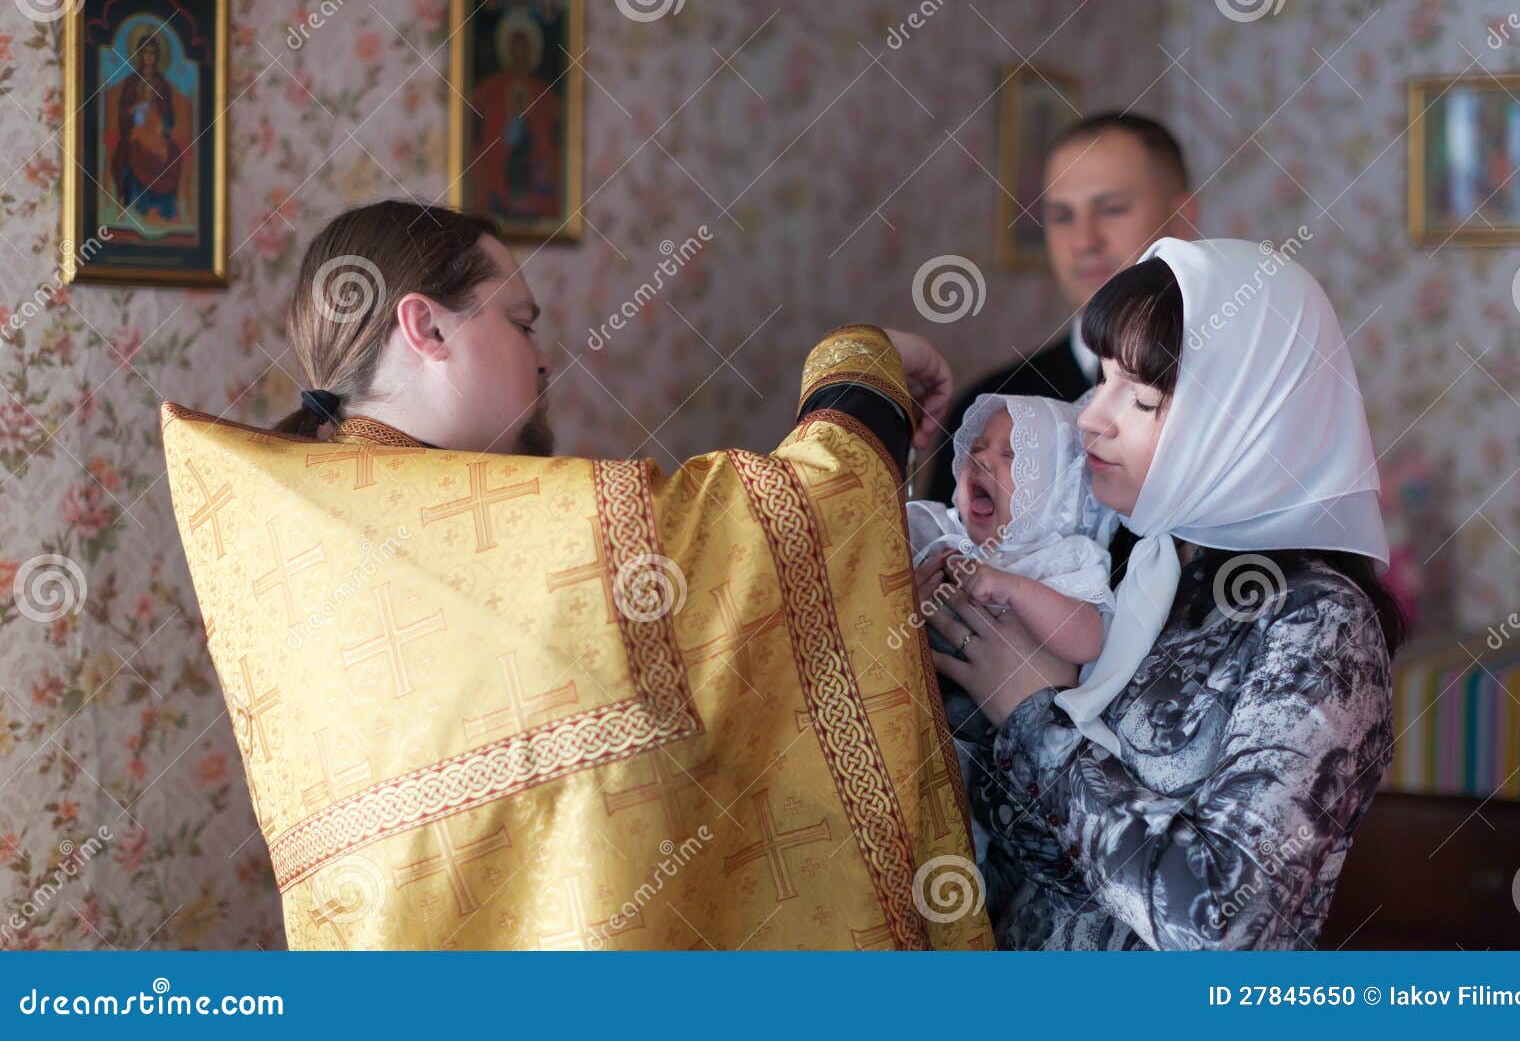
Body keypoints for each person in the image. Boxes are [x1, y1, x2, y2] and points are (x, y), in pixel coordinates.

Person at [160, 200, 994, 950]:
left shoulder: (313, 527)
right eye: (520, 323)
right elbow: (763, 536)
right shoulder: (463, 536)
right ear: (427, 328)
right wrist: (861, 367)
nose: (544, 356)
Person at [926, 238, 1403, 950]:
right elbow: (1060, 873)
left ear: (1243, 424)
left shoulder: (1316, 624)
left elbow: (1220, 921)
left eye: (1141, 397)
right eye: (1105, 380)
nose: (1091, 415)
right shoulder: (1132, 570)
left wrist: (1032, 714)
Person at [923, 112, 1199, 505]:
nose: (1084, 241)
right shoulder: (993, 405)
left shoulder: (1229, 389)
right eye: (1062, 216)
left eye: (1112, 208)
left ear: (1181, 219)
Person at [904, 392, 1118, 865]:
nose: (981, 458)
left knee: (952, 849)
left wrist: (1013, 589)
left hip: (994, 759)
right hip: (916, 726)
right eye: (977, 447)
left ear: (1061, 494)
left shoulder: (1061, 557)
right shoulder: (942, 533)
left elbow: (1086, 636)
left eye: (1013, 456)